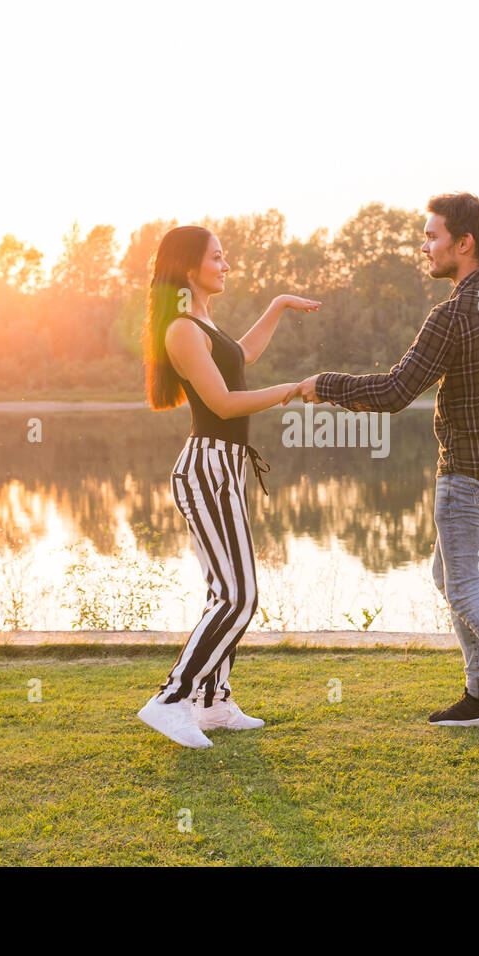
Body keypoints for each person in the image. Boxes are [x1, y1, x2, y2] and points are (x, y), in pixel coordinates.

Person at [297, 192, 479, 751]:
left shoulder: (454, 314)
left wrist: (325, 385)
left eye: (432, 237)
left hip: (466, 477)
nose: (424, 247)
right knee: (450, 579)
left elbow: (392, 391)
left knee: (468, 591)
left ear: (464, 243)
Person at [138, 224, 319, 749]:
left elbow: (242, 356)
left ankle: (214, 703)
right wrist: (291, 390)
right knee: (239, 596)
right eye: (218, 258)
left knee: (226, 591)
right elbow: (222, 403)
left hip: (226, 467)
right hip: (207, 468)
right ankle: (173, 699)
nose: (226, 265)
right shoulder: (180, 330)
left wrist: (279, 305)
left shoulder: (201, 323)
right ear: (190, 267)